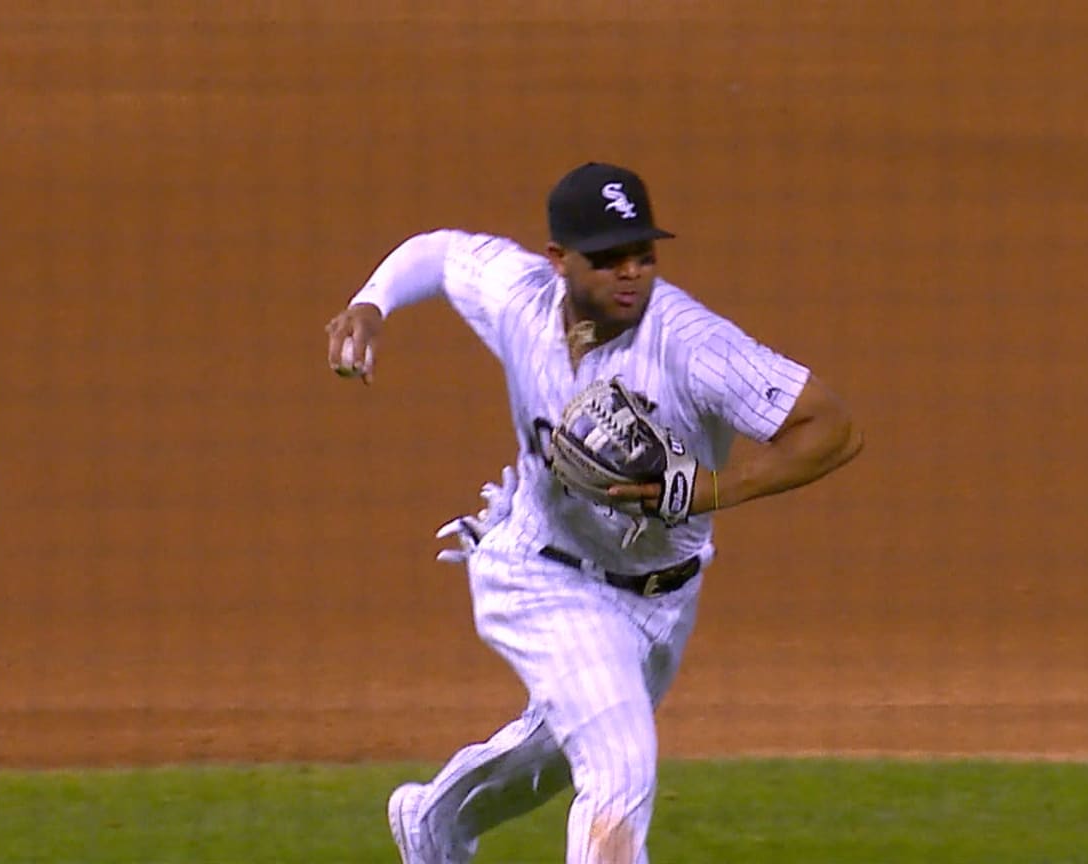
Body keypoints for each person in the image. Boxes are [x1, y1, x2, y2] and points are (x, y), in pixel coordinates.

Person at [323, 161, 864, 864]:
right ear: (559, 261)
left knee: (549, 755)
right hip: (539, 573)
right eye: (609, 259)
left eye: (643, 255)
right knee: (620, 765)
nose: (631, 273)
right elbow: (443, 252)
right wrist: (371, 303)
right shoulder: (520, 300)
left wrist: (708, 489)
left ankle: (432, 821)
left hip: (662, 598)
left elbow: (832, 427)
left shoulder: (690, 344)